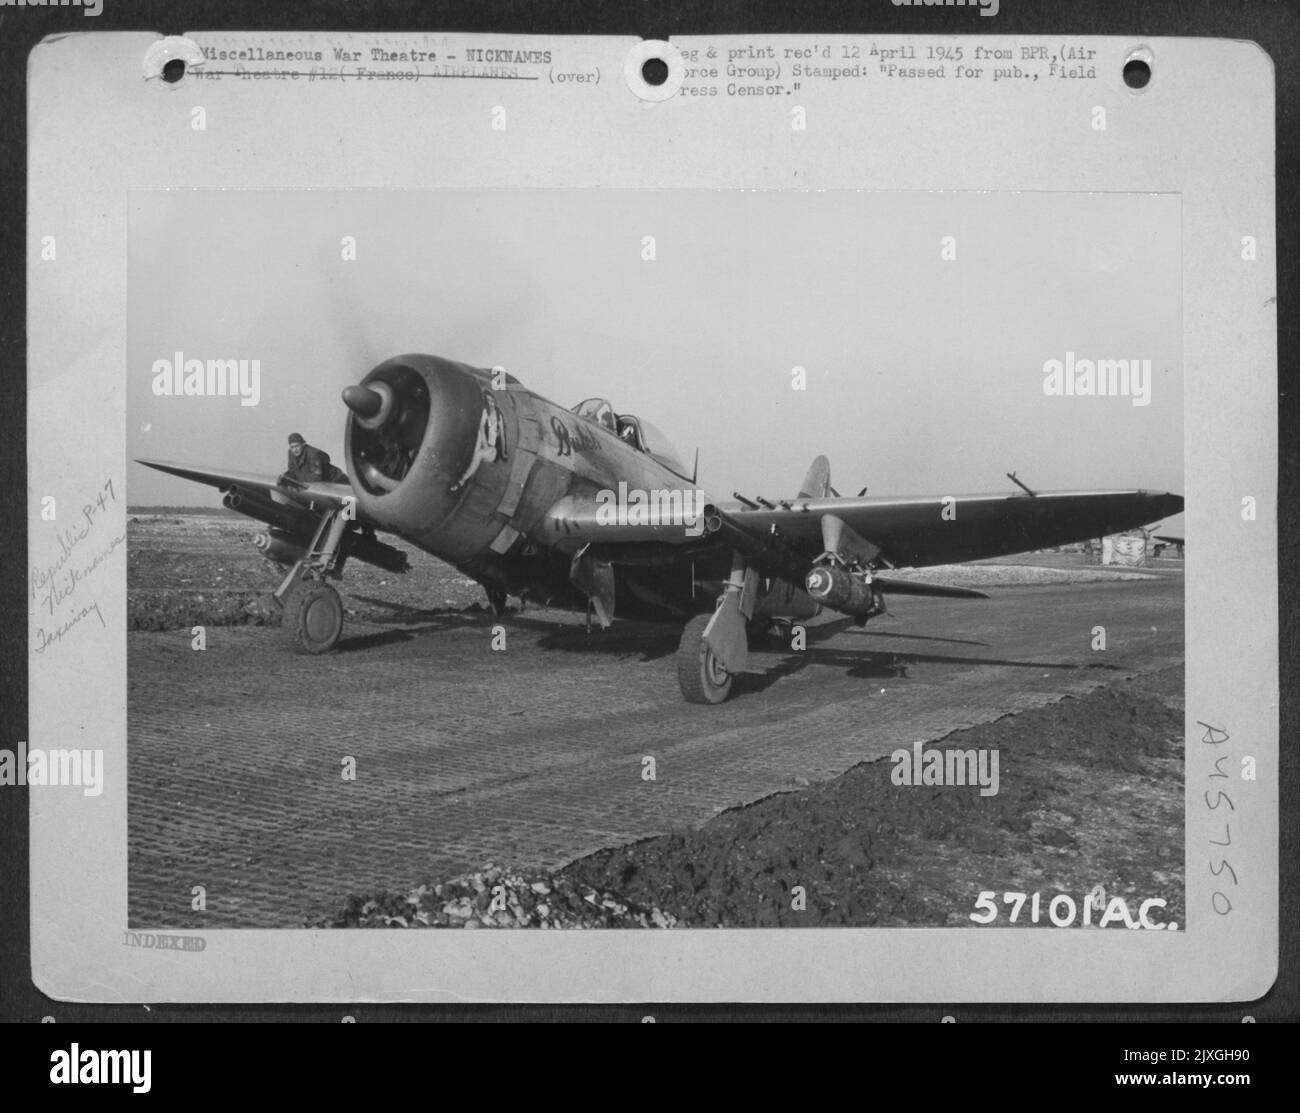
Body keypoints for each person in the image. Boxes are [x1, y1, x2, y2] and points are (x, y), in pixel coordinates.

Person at [283, 432, 349, 484]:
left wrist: (295, 476)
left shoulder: (313, 454)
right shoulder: (290, 453)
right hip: (326, 484)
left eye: (297, 446)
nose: (295, 450)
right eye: (292, 447)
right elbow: (292, 471)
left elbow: (317, 478)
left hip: (338, 481)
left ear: (303, 444)